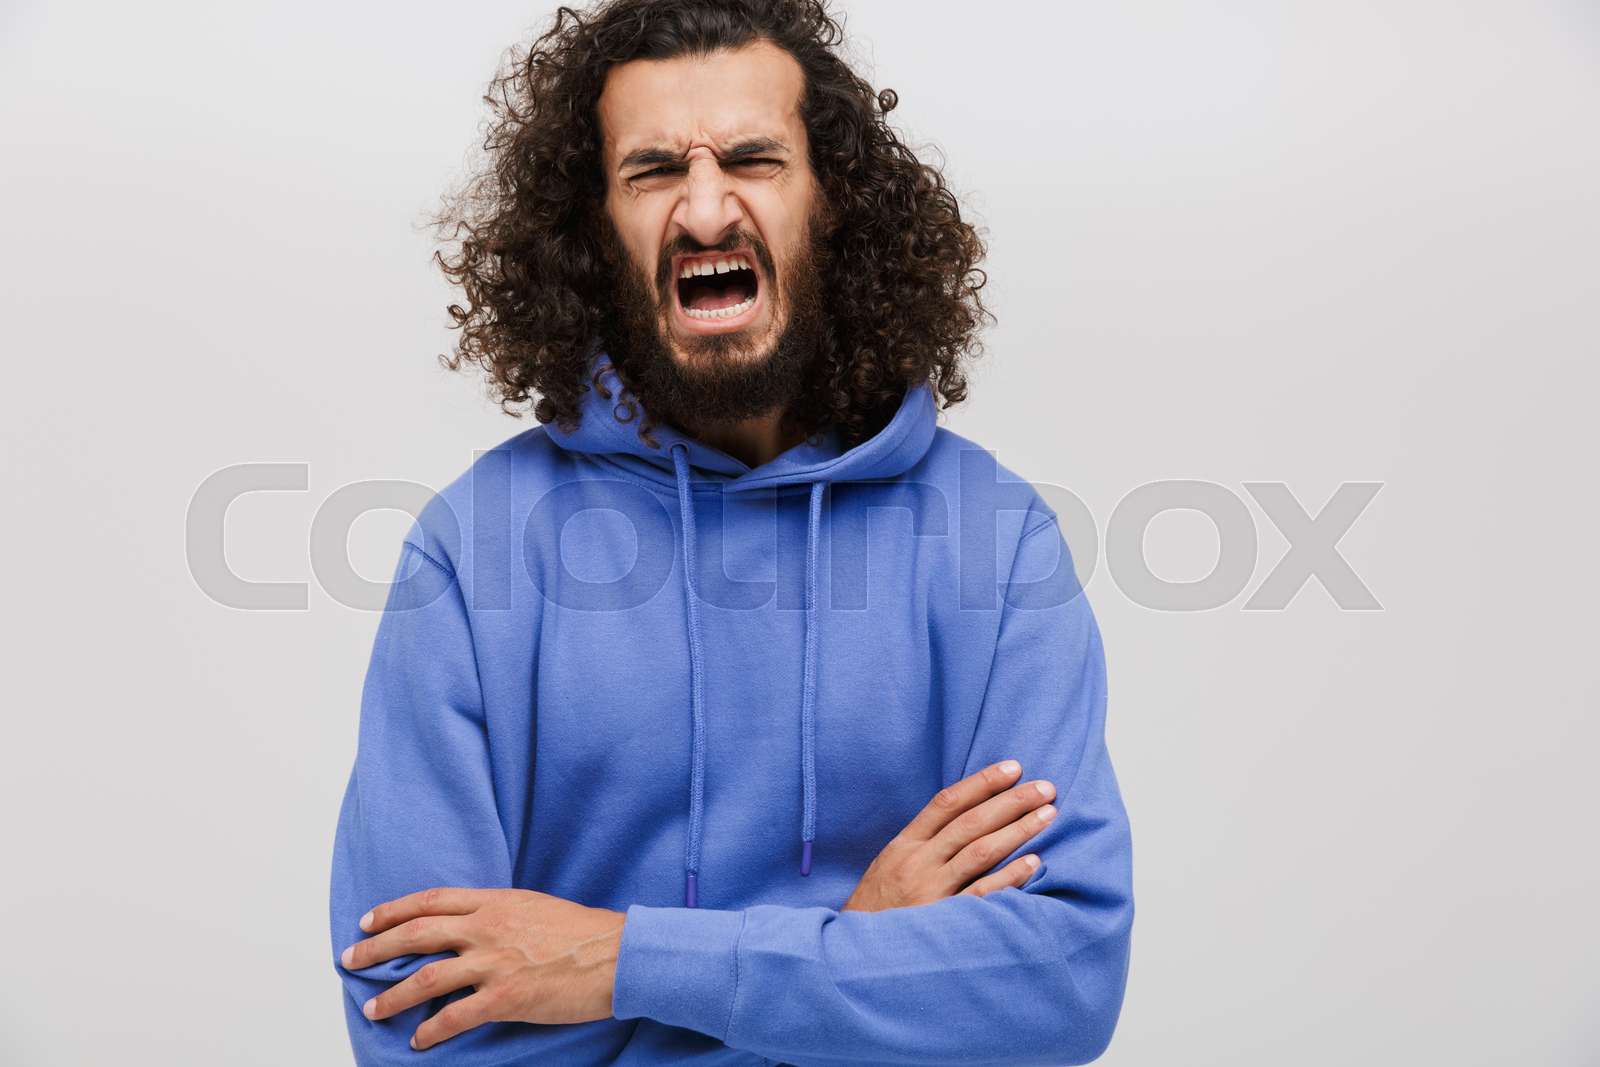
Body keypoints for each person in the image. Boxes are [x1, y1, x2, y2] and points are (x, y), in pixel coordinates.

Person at [328, 1, 1134, 1063]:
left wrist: (616, 960)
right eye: (653, 171)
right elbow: (419, 1031)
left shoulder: (993, 538)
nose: (706, 210)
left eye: (753, 160)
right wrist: (859, 948)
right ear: (591, 232)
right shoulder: (474, 552)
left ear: (833, 204)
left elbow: (1058, 983)